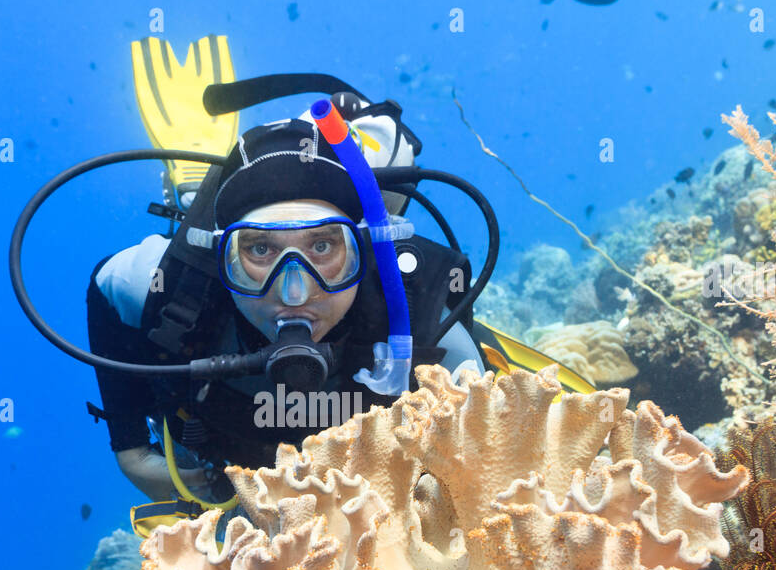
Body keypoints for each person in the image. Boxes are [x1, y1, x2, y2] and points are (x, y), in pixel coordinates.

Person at [85, 114, 485, 509]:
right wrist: (131, 450)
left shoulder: (416, 310)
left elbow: (483, 441)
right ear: (222, 259)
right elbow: (105, 285)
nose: (295, 292)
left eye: (323, 247)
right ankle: (196, 194)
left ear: (362, 251)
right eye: (260, 249)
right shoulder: (174, 289)